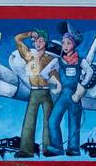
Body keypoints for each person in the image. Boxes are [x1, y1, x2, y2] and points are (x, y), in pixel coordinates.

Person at [43, 29, 90, 157]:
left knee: (74, 123)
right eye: (63, 43)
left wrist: (82, 86)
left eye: (68, 43)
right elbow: (44, 73)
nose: (65, 46)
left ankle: (73, 149)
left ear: (74, 45)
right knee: (53, 120)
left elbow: (90, 73)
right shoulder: (58, 61)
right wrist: (57, 82)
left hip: (75, 96)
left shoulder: (81, 61)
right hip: (63, 95)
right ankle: (57, 147)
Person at [12, 29, 58, 158]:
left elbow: (57, 74)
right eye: (36, 40)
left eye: (41, 40)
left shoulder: (51, 59)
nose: (38, 43)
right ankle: (26, 150)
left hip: (46, 91)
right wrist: (29, 34)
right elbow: (17, 39)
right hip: (34, 91)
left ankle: (48, 148)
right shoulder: (29, 56)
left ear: (46, 42)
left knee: (49, 120)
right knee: (29, 120)